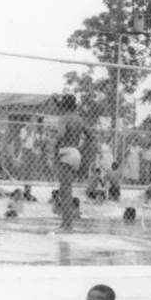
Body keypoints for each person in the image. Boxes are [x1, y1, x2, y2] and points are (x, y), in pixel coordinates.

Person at [55, 94, 87, 231]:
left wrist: (55, 146)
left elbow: (61, 135)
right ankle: (66, 224)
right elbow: (89, 135)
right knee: (67, 189)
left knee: (65, 190)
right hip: (76, 152)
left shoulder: (64, 118)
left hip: (66, 152)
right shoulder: (79, 119)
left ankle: (67, 224)